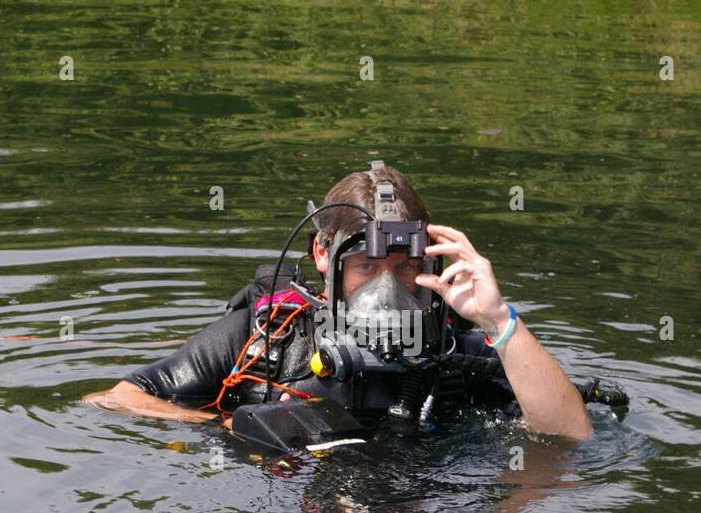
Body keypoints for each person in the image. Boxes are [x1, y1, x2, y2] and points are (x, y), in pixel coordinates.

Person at [84, 162, 594, 442]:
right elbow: (115, 399)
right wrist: (235, 427)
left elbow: (571, 437)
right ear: (324, 255)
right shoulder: (268, 338)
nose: (387, 290)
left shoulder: (455, 353)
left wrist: (498, 320)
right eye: (367, 268)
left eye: (407, 268)